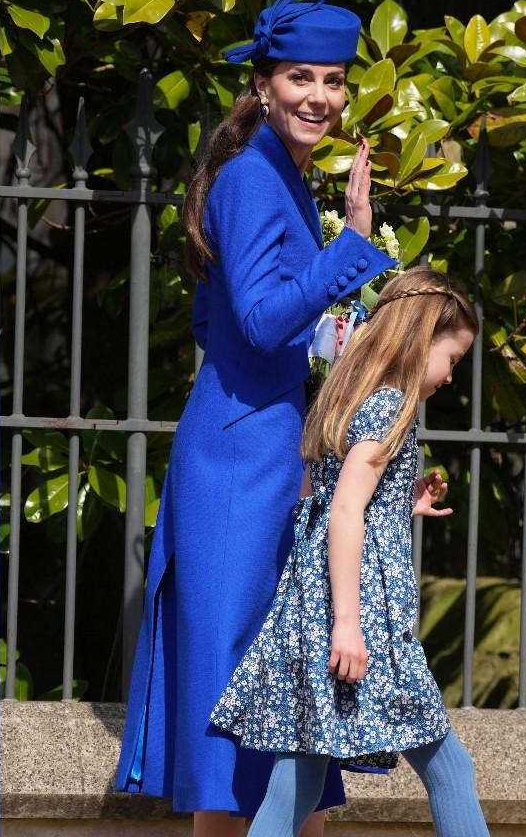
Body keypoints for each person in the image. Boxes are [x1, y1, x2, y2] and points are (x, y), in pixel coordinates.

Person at [113, 0, 398, 837]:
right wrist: (351, 246)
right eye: (300, 78)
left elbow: (247, 325)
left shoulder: (279, 175)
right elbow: (261, 315)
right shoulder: (250, 179)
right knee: (236, 690)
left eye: (334, 80)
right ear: (265, 84)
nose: (320, 96)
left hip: (267, 451)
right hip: (238, 462)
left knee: (274, 693)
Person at [210, 268, 491, 837]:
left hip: (323, 603)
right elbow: (344, 512)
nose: (451, 376)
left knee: (298, 777)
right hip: (363, 615)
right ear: (419, 339)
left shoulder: (348, 392)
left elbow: (328, 497)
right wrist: (348, 624)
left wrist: (399, 503)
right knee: (450, 768)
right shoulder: (392, 406)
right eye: (453, 358)